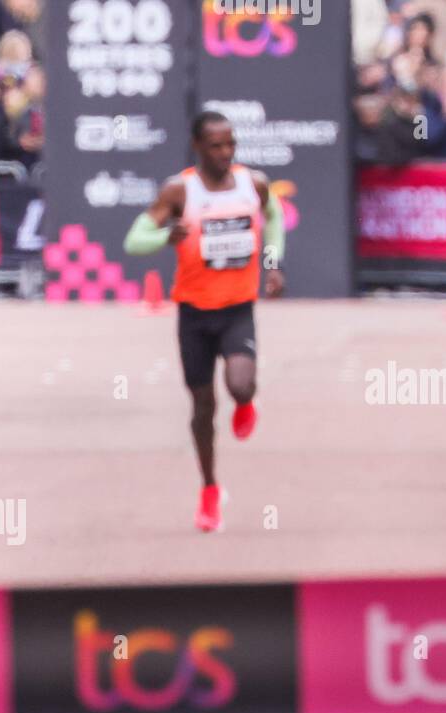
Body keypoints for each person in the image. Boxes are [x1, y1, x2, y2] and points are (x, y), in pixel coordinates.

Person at [123, 110, 286, 533]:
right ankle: (210, 489)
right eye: (216, 145)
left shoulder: (254, 183)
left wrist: (272, 263)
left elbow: (275, 218)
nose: (225, 152)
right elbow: (134, 238)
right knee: (202, 408)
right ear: (198, 148)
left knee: (240, 384)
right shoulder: (180, 190)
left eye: (231, 144)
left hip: (237, 308)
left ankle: (246, 402)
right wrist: (164, 236)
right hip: (194, 313)